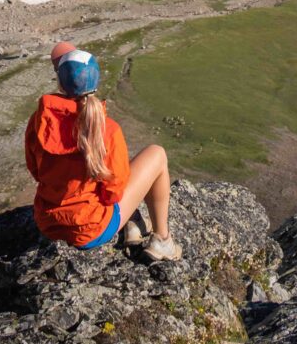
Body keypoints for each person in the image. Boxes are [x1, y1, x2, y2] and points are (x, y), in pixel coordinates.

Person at [25, 45, 182, 261]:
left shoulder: (39, 122)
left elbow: (36, 171)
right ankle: (162, 240)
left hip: (48, 223)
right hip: (91, 230)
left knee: (118, 168)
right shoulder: (107, 129)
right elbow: (114, 193)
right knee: (156, 154)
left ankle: (133, 226)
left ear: (60, 83)